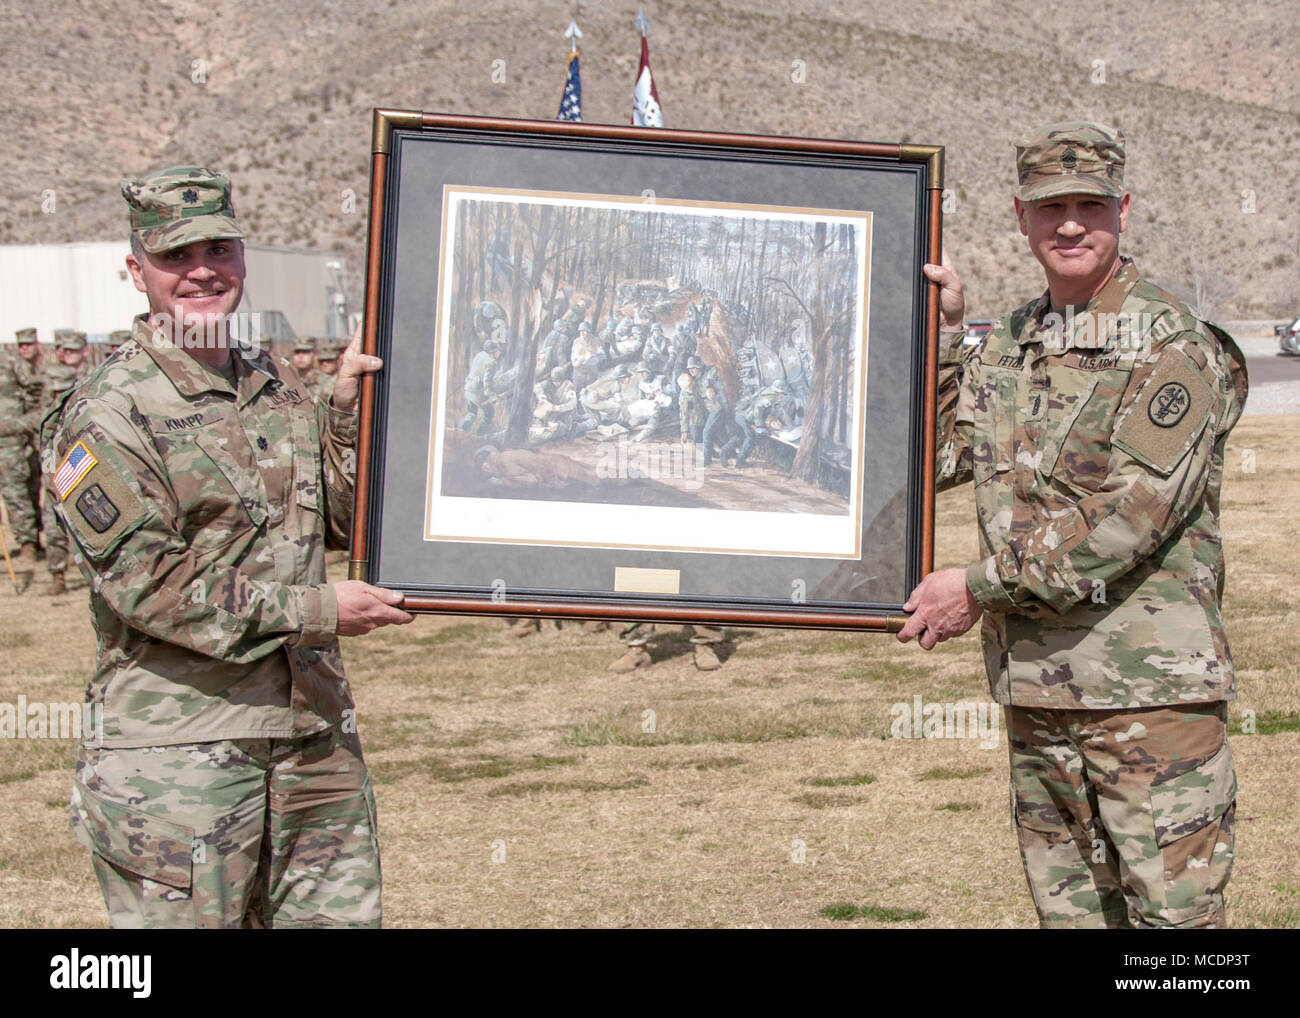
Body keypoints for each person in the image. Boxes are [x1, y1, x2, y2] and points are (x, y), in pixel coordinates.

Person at [41, 165, 413, 929]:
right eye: (176, 256)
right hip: (180, 759)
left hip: (313, 740)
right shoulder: (104, 413)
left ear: (243, 256)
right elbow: (148, 584)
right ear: (135, 268)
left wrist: (344, 415)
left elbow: (337, 524)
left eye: (219, 247)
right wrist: (316, 609)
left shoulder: (275, 386)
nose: (202, 270)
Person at [900, 122, 1248, 929]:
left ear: (1122, 210)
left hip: (1150, 699)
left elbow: (1129, 518)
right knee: (1076, 920)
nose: (1069, 223)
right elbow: (942, 457)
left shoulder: (1173, 344)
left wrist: (978, 588)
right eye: (1049, 206)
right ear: (1020, 218)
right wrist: (946, 338)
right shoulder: (1015, 341)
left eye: (1089, 204)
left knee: (1176, 932)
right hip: (1040, 693)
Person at [40, 330, 91, 595]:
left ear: (84, 351)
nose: (67, 355)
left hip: (86, 456)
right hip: (58, 456)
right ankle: (57, 573)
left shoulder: (99, 377)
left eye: (73, 350)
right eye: (64, 350)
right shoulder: (53, 378)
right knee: (52, 516)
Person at [0, 326, 45, 591]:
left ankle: (27, 543)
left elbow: (35, 394)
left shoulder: (10, 362)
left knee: (16, 493)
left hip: (10, 442)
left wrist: (20, 424)